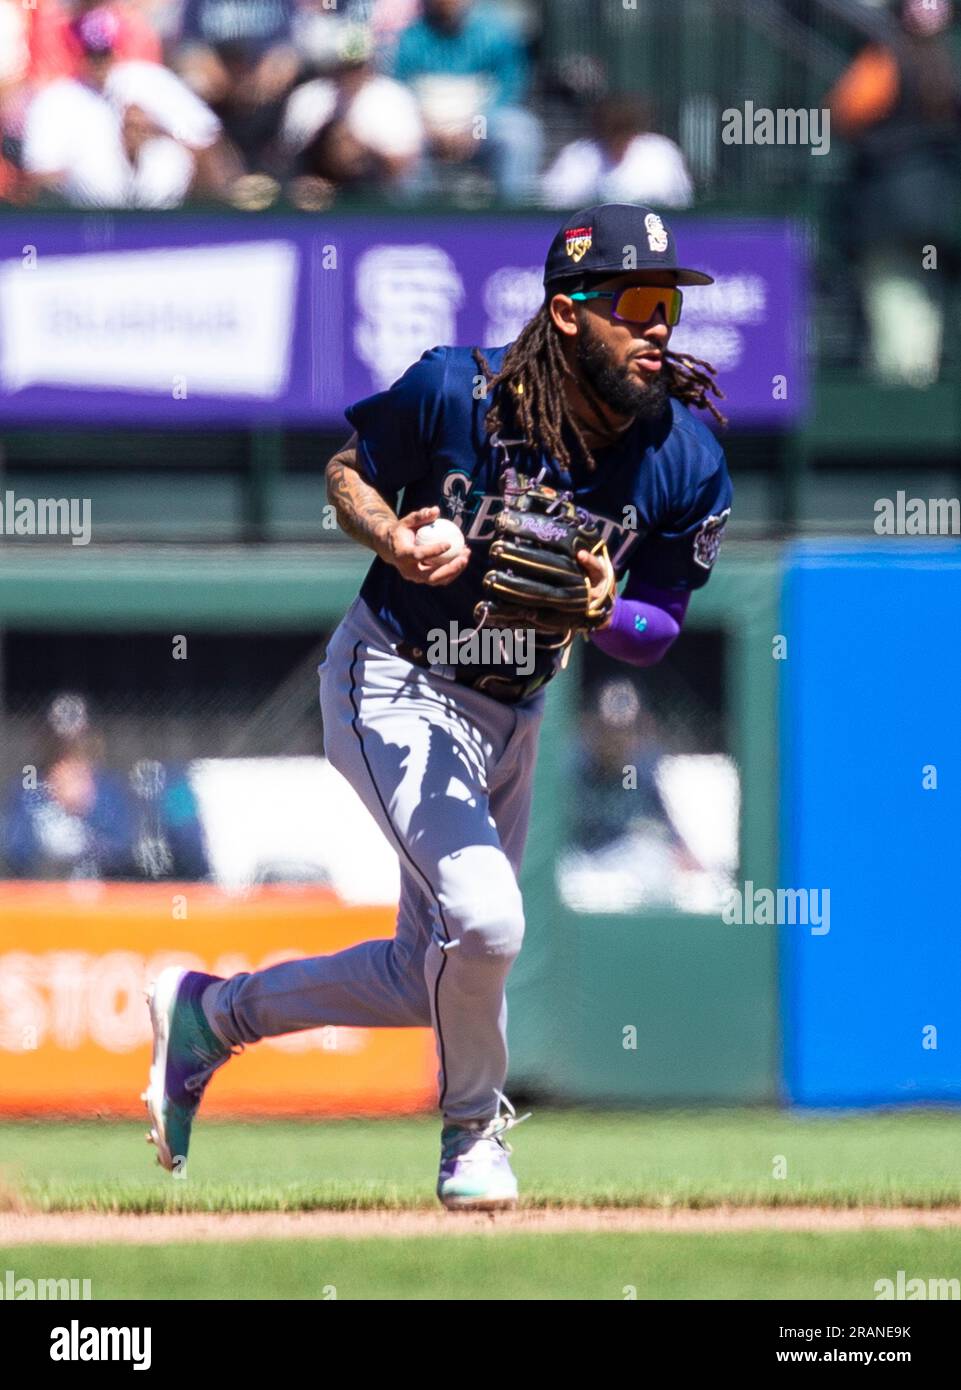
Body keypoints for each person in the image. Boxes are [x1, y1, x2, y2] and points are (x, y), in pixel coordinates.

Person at [143, 203, 733, 1209]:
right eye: (636, 303)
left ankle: (210, 1014)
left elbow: (662, 624)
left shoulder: (682, 453)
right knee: (490, 922)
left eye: (669, 304)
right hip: (394, 680)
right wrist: (393, 539)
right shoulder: (456, 394)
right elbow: (344, 474)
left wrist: (605, 610)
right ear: (566, 313)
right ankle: (472, 1137)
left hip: (515, 709)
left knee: (433, 964)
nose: (660, 325)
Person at [826, 0, 961, 386]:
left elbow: (843, 111)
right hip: (937, 214)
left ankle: (906, 390)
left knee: (897, 297)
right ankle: (917, 379)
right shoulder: (947, 60)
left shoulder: (888, 55)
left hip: (892, 210)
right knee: (922, 302)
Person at [22, 6, 229, 207]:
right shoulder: (56, 98)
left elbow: (205, 138)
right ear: (78, 52)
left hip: (163, 205)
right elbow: (41, 173)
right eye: (91, 53)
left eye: (104, 52)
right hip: (87, 214)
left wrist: (151, 134)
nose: (99, 62)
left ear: (116, 49)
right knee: (93, 165)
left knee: (166, 156)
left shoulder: (149, 80)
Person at [391, 0, 543, 203]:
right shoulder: (410, 37)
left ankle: (512, 219)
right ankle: (413, 223)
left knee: (519, 132)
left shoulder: (495, 33)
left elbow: (508, 88)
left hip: (481, 125)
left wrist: (474, 130)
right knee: (396, 137)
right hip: (428, 128)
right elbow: (400, 94)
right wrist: (431, 129)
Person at [542, 95, 694, 210]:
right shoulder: (577, 156)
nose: (617, 139)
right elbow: (553, 204)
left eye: (623, 131)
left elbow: (680, 205)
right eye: (610, 131)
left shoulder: (661, 153)